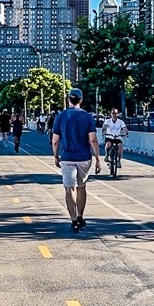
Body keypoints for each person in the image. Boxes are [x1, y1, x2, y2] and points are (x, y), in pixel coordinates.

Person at [51, 89, 100, 232]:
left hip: (67, 157)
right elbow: (93, 139)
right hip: (84, 157)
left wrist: (56, 156)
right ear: (81, 100)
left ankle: (73, 221)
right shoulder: (87, 116)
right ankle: (80, 216)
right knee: (82, 187)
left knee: (69, 189)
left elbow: (55, 140)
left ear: (68, 99)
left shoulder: (61, 116)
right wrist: (97, 158)